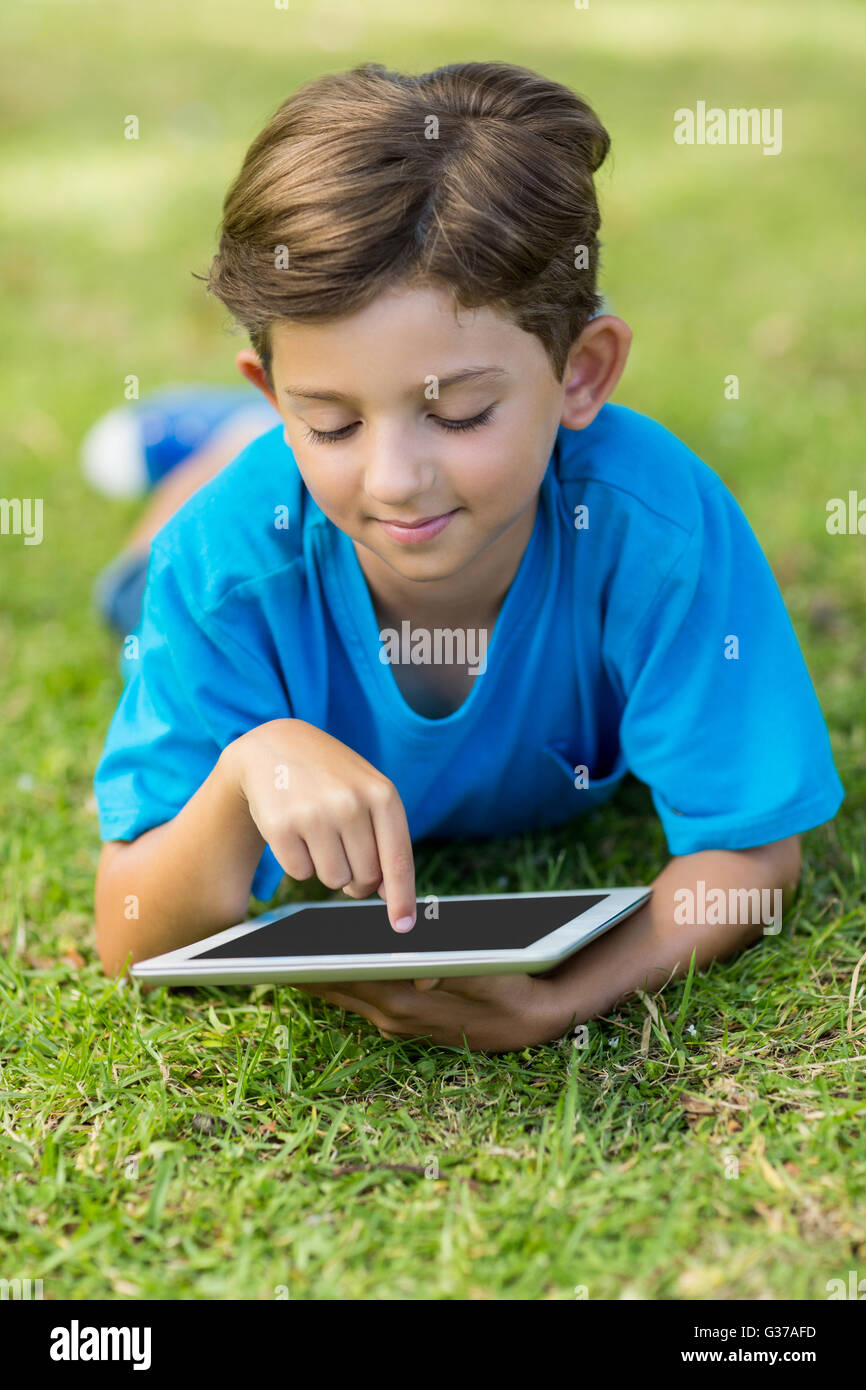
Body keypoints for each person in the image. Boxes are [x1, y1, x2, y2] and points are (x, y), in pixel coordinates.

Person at [91, 60, 843, 1052]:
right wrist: (240, 776)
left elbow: (751, 864)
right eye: (326, 418)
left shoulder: (653, 527)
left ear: (581, 372)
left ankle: (235, 430)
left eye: (456, 411)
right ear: (281, 398)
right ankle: (208, 444)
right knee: (143, 576)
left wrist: (560, 998)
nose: (396, 478)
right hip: (217, 541)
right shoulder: (226, 563)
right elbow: (132, 927)